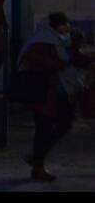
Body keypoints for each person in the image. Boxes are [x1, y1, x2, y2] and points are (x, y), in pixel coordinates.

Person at [17, 12, 94, 181]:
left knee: (63, 124)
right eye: (64, 26)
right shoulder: (40, 42)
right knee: (44, 128)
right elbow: (38, 60)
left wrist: (88, 63)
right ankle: (38, 166)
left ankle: (37, 158)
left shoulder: (59, 42)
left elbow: (73, 57)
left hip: (56, 92)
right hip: (43, 91)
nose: (67, 29)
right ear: (55, 26)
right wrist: (59, 64)